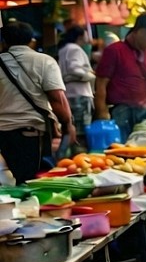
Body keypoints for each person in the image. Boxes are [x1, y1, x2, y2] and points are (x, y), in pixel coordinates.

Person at [0, 21, 75, 182]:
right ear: (32, 40)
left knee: (9, 182)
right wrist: (68, 125)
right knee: (33, 181)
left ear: (4, 41)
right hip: (31, 133)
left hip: (3, 134)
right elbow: (57, 98)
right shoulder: (44, 61)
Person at [95, 11, 146, 140]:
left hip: (144, 113)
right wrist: (102, 113)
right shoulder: (114, 50)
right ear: (141, 31)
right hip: (120, 112)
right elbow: (101, 83)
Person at [56, 26, 94, 155]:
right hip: (80, 94)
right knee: (80, 131)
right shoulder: (75, 49)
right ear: (80, 37)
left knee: (70, 128)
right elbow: (74, 68)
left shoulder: (63, 49)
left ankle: (64, 155)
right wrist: (89, 75)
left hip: (69, 93)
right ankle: (76, 156)